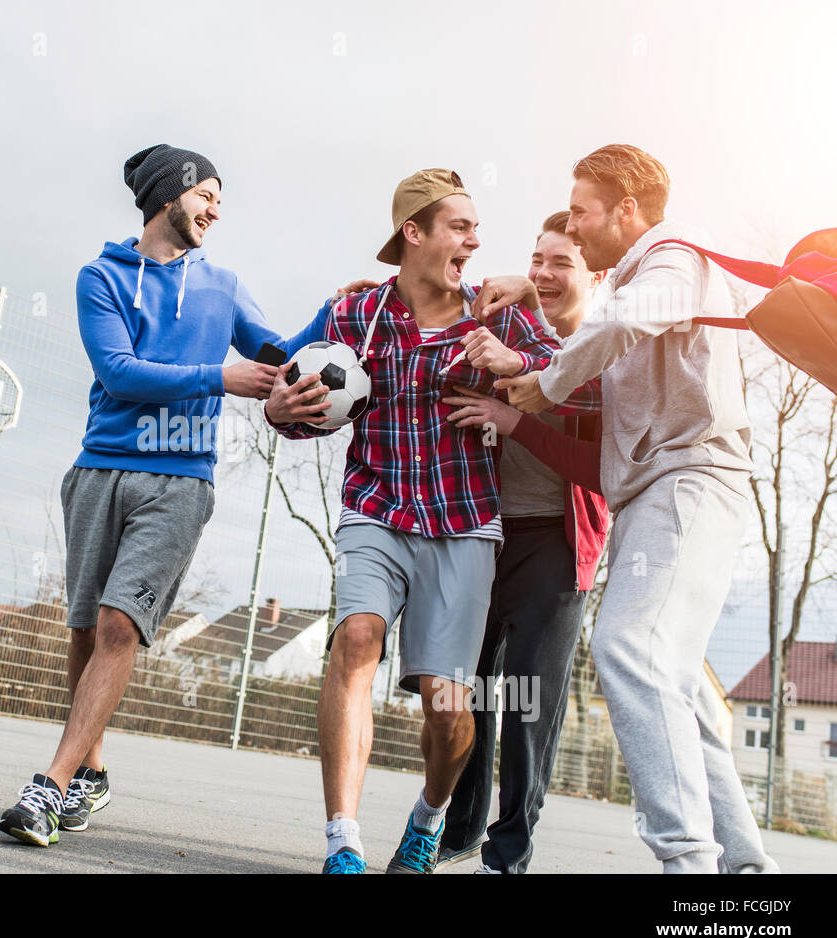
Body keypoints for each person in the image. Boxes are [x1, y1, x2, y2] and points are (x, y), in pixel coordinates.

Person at [264, 170, 600, 874]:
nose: (475, 240)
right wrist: (278, 412)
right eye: (459, 227)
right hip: (375, 509)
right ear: (413, 234)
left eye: (477, 228)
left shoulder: (497, 312)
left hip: (465, 523)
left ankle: (432, 818)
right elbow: (294, 396)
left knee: (450, 711)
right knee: (355, 639)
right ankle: (342, 843)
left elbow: (566, 377)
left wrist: (511, 364)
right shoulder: (357, 317)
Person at [0, 144, 328, 847]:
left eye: (219, 201)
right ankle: (90, 770)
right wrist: (220, 376)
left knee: (122, 625)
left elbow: (278, 355)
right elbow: (119, 373)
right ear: (166, 197)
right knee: (86, 630)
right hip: (101, 469)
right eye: (206, 194)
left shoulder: (225, 285)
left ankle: (48, 787)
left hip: (181, 480)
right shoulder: (100, 278)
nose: (214, 210)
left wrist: (340, 310)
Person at [476, 144, 779, 873]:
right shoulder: (637, 278)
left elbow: (617, 326)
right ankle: (746, 871)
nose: (574, 227)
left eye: (581, 211)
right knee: (675, 686)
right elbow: (600, 340)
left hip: (691, 483)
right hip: (658, 495)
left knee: (630, 649)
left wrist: (543, 383)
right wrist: (532, 306)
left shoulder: (674, 260)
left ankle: (690, 868)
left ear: (627, 210)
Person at [436, 211, 610, 873]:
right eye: (537, 260)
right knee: (467, 689)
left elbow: (594, 466)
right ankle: (461, 828)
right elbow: (444, 299)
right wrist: (375, 295)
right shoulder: (505, 316)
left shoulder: (606, 348)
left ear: (596, 273)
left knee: (526, 701)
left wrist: (515, 415)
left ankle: (507, 853)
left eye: (560, 263)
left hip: (556, 542)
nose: (542, 273)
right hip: (480, 530)